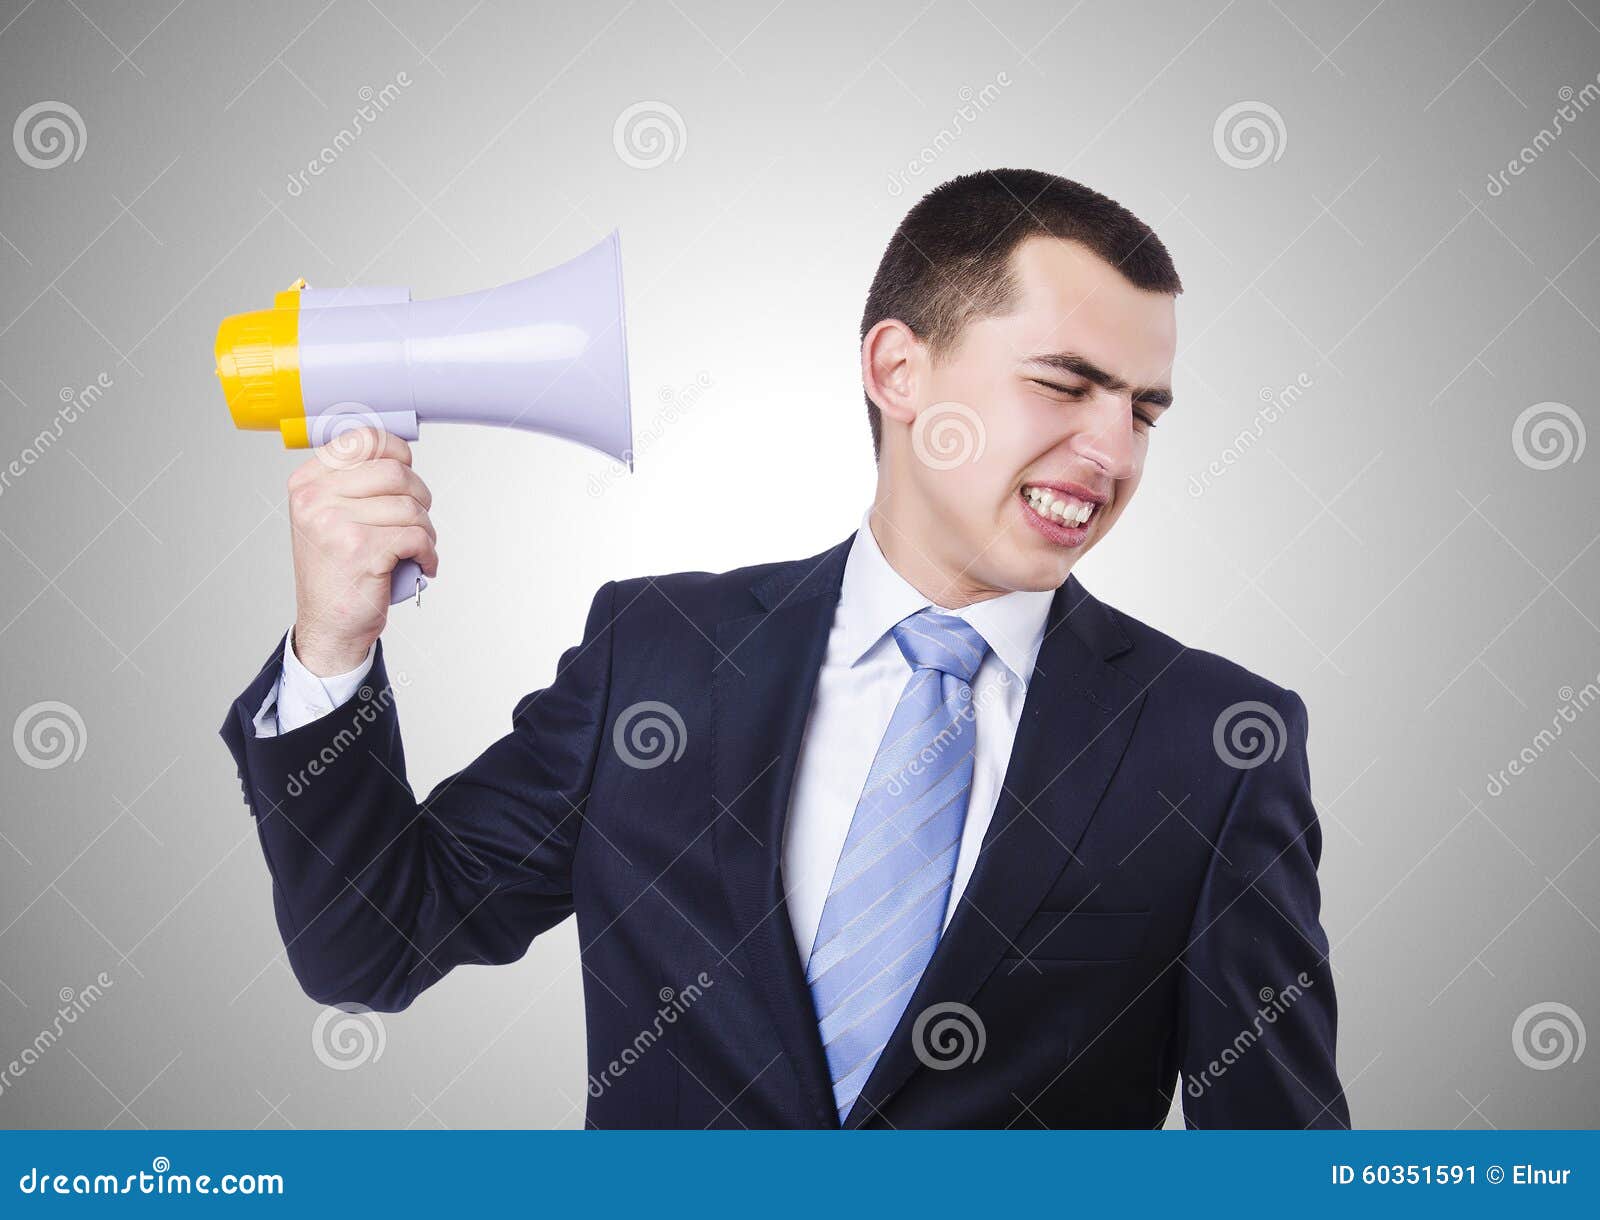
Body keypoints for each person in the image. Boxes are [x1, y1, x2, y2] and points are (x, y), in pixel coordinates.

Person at [220, 167, 1350, 1130]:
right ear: (899, 370)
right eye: (1065, 383)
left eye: (1144, 411)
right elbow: (368, 944)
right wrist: (334, 640)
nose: (1111, 450)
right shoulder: (655, 656)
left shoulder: (1211, 740)